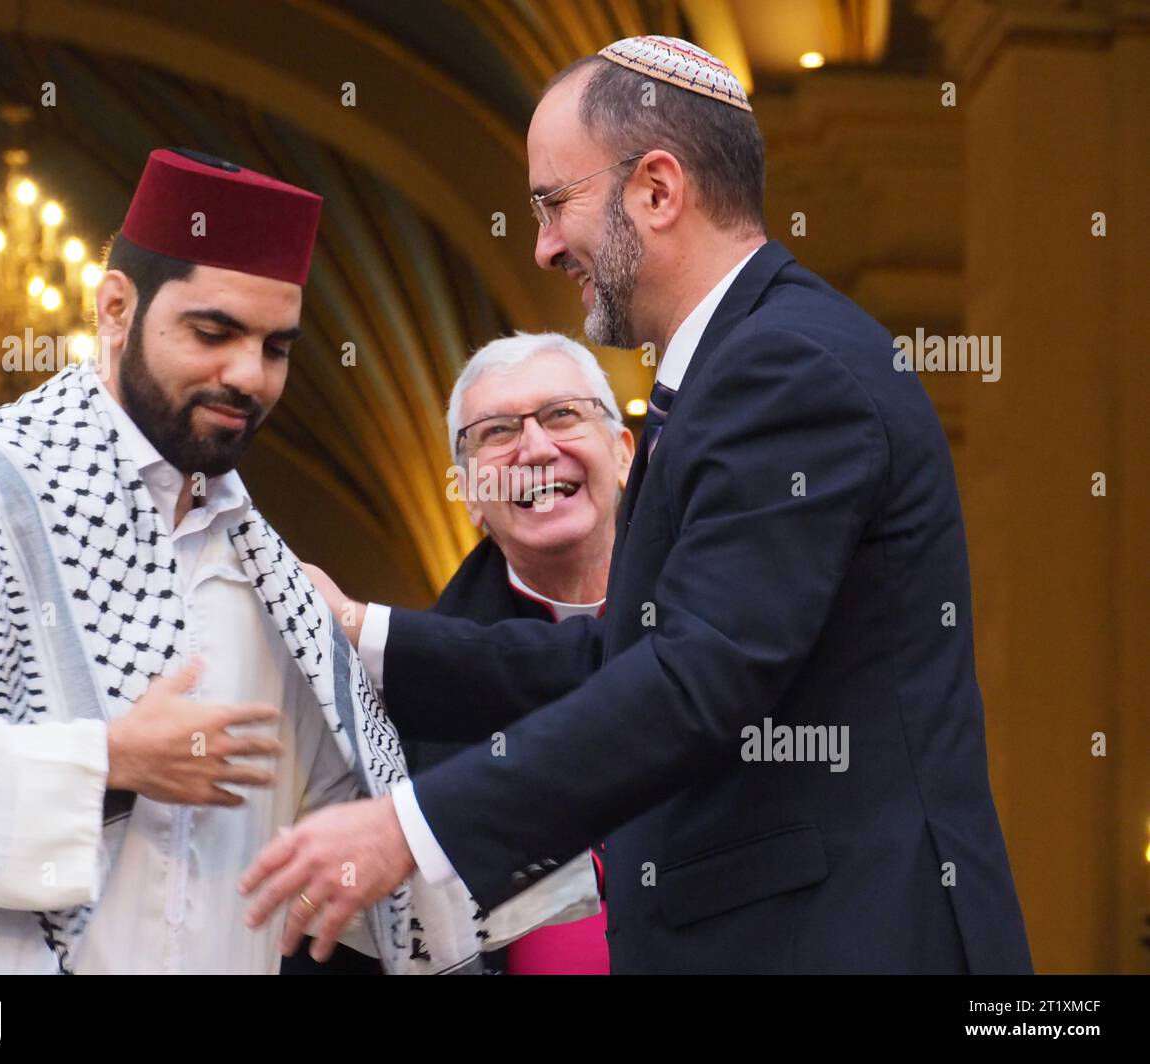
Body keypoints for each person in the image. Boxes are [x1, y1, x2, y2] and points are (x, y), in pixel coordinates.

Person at [240, 37, 1033, 975]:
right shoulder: (741, 365)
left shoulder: (784, 369)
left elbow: (694, 680)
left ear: (657, 190)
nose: (542, 246)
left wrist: (409, 827)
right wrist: (368, 631)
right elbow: (627, 652)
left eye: (552, 204)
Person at [0, 148, 589, 975]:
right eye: (214, 332)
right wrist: (110, 763)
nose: (248, 375)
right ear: (116, 308)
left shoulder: (267, 579)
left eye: (276, 347)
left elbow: (357, 833)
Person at [293, 331, 633, 974]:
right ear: (469, 495)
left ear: (621, 454)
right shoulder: (400, 711)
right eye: (497, 432)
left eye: (563, 413)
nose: (535, 447)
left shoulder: (715, 613)